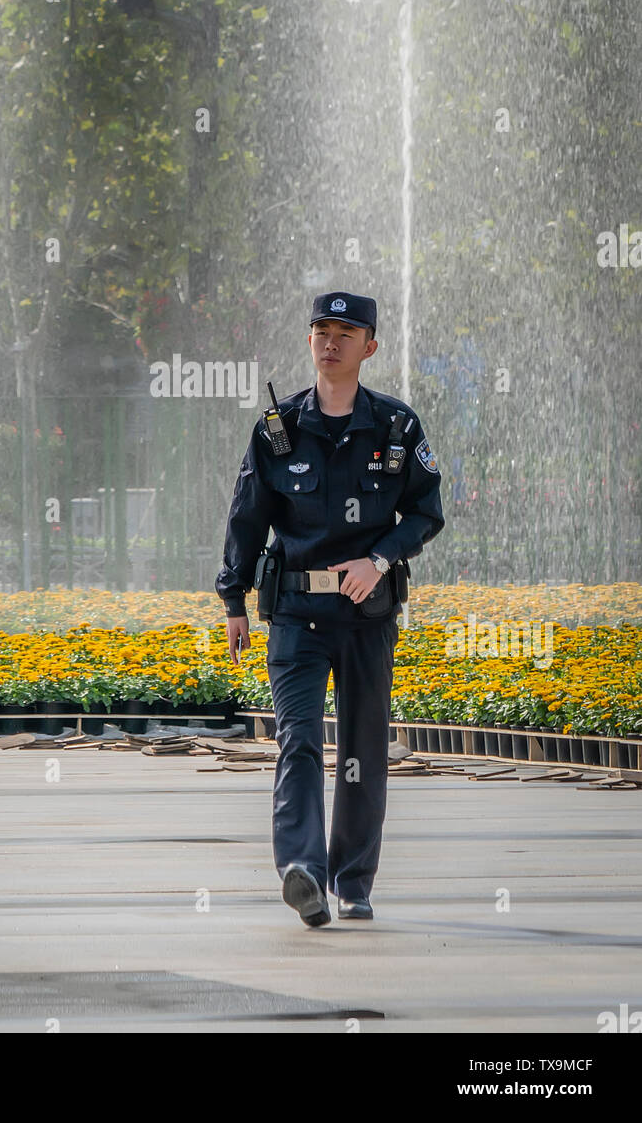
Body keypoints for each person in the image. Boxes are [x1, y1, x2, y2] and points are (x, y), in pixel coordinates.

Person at [215, 292, 444, 927]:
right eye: (321, 330)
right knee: (299, 740)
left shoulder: (397, 428)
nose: (331, 341)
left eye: (347, 332)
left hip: (367, 615)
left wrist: (380, 559)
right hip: (295, 615)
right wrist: (233, 597)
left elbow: (427, 512)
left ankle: (353, 879)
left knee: (362, 750)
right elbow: (247, 519)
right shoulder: (276, 430)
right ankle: (303, 871)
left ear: (369, 347)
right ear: (310, 341)